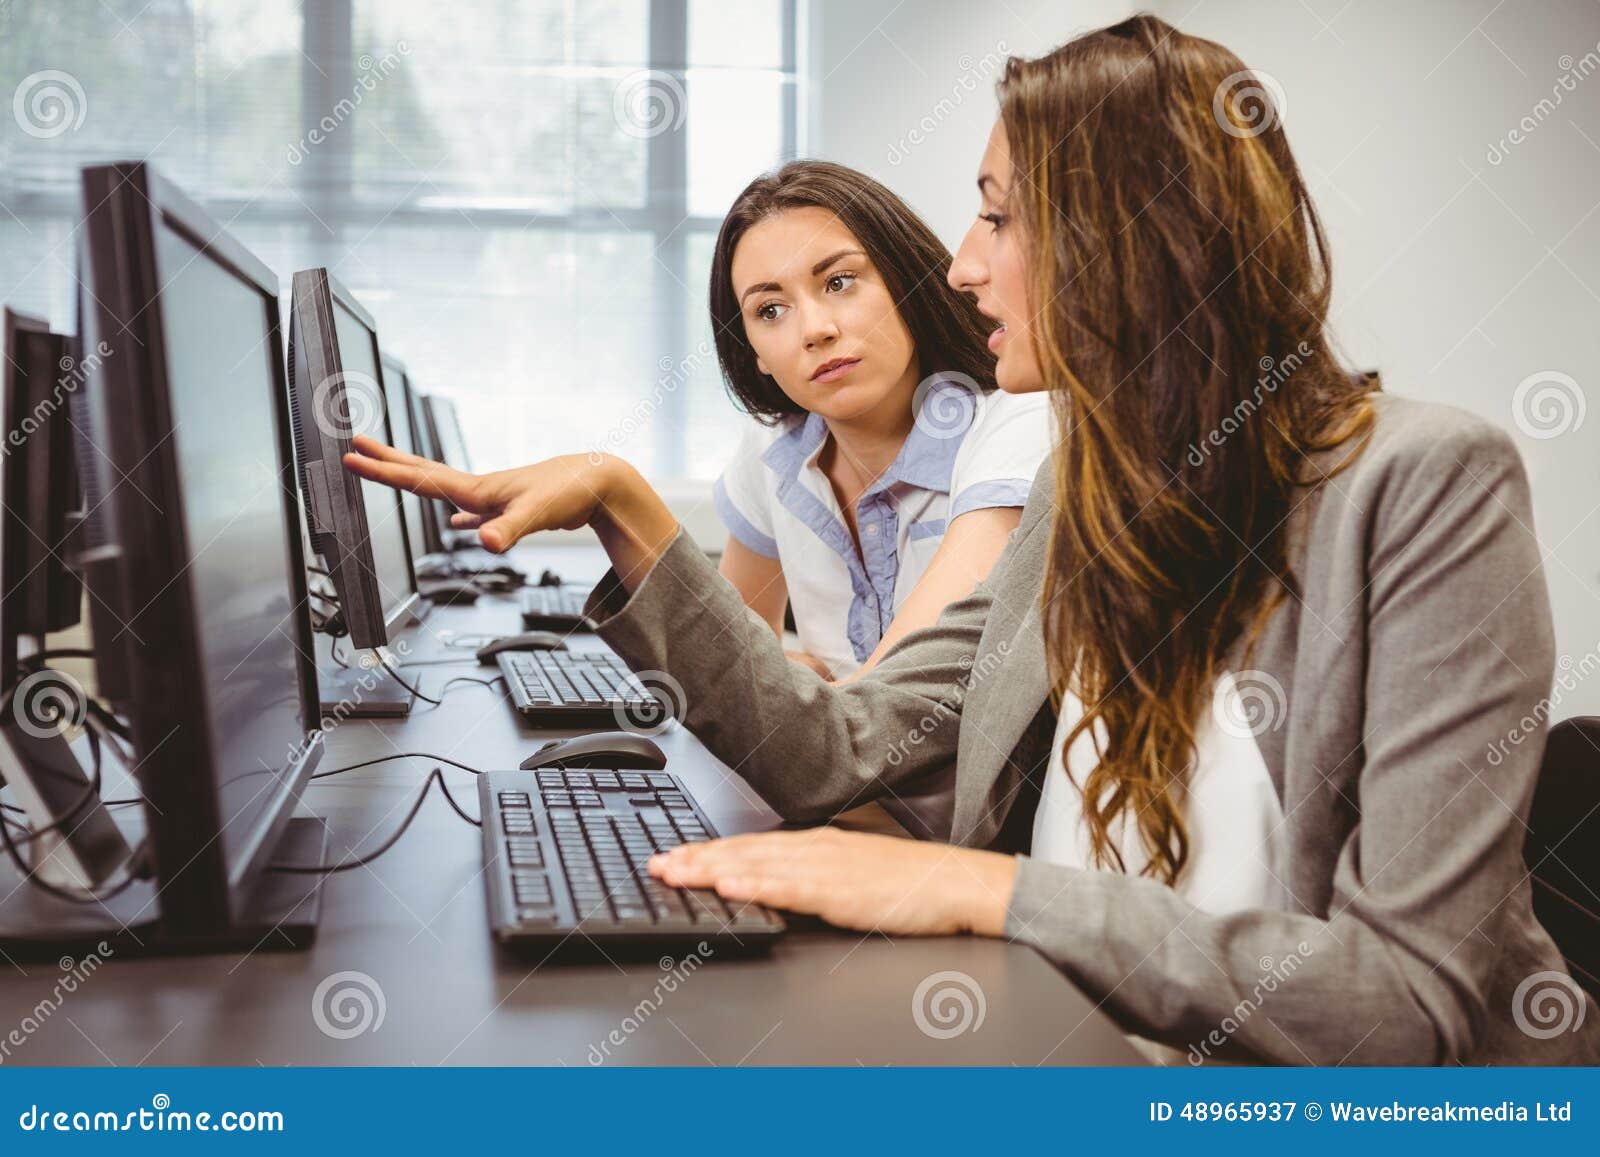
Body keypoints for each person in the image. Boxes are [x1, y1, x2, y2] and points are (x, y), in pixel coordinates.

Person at [343, 14, 1599, 1064]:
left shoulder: (1424, 484)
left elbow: (1408, 1004)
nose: (959, 266)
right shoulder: (1080, 493)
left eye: (998, 219)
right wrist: (624, 503)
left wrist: (984, 890)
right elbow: (842, 747)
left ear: (1134, 235)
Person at [709, 161, 1050, 681]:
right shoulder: (774, 447)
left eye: (840, 282)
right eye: (771, 311)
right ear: (752, 350)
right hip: (825, 759)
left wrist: (790, 693)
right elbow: (726, 675)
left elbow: (884, 704)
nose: (815, 330)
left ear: (905, 279)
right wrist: (785, 676)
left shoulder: (1015, 422)